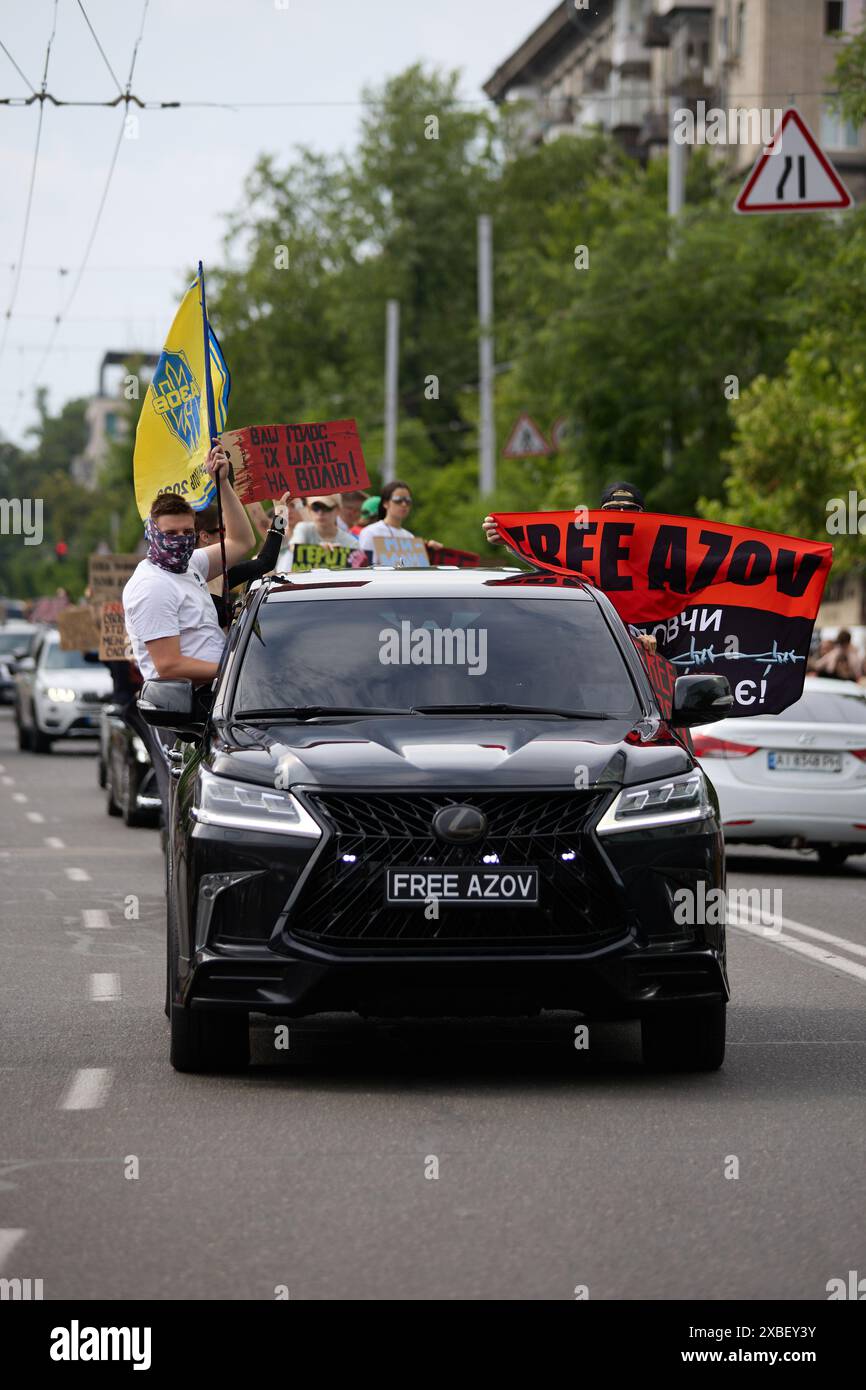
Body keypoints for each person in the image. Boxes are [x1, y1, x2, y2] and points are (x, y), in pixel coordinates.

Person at [122, 446, 253, 809]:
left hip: (213, 699)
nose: (180, 540)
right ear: (152, 533)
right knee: (193, 810)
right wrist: (235, 672)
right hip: (181, 713)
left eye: (187, 532)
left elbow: (242, 542)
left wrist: (223, 483)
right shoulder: (153, 586)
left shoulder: (188, 565)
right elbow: (170, 666)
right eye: (170, 533)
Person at [195, 503, 286, 626]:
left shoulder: (223, 573)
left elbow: (265, 562)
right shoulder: (186, 575)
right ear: (205, 536)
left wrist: (281, 514)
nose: (231, 536)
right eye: (225, 529)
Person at [358, 480, 442, 563]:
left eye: (408, 501)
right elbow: (365, 568)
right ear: (385, 503)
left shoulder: (410, 537)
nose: (404, 504)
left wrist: (430, 550)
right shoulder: (370, 532)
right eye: (398, 500)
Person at [292, 495, 360, 551]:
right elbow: (293, 547)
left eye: (326, 508)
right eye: (315, 508)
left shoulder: (352, 543)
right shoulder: (303, 528)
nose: (320, 513)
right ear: (309, 510)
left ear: (338, 510)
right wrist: (316, 549)